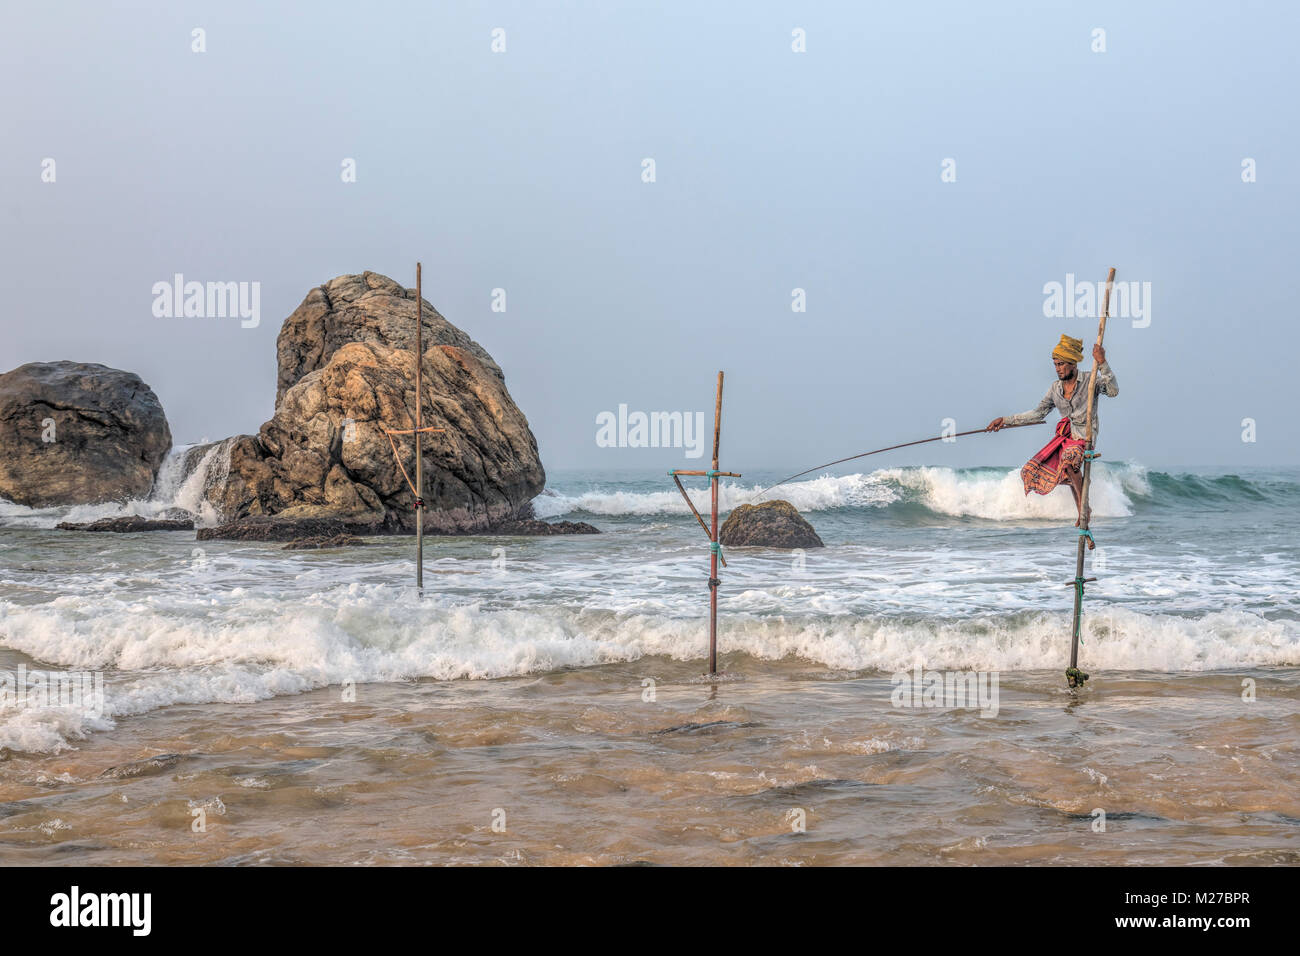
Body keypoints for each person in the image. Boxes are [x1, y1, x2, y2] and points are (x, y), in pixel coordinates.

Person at [986, 334, 1118, 526]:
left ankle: (1083, 508)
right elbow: (1037, 414)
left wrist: (1103, 362)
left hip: (1084, 436)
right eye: (1055, 364)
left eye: (1062, 364)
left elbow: (1113, 391)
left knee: (1070, 458)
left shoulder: (1090, 380)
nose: (1058, 369)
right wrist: (1005, 421)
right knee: (1035, 468)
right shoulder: (1055, 389)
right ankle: (1083, 509)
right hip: (1065, 437)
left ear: (1073, 364)